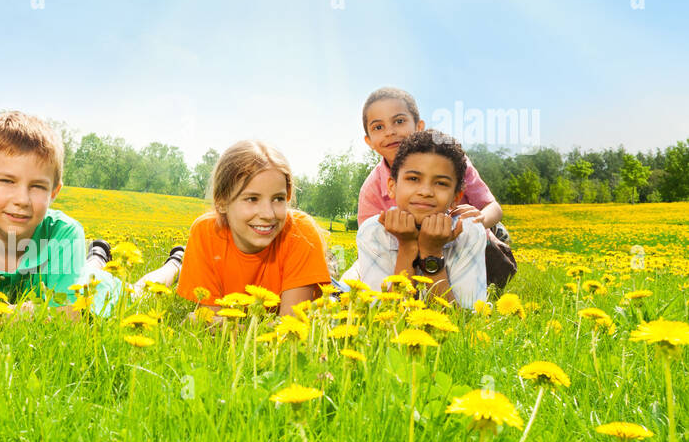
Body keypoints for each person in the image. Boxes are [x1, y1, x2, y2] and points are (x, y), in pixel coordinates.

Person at [0, 111, 119, 316]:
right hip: (65, 278)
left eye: (37, 186)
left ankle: (102, 259)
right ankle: (96, 256)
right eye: (7, 181)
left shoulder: (64, 233)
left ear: (53, 191)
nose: (21, 199)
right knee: (86, 269)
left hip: (93, 289)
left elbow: (67, 316)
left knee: (125, 288)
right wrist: (30, 312)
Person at [175, 140, 332, 318]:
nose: (268, 214)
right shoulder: (206, 231)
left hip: (313, 265)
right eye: (252, 199)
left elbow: (290, 327)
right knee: (172, 270)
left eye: (278, 199)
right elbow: (211, 321)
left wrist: (216, 323)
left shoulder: (301, 232)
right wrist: (213, 323)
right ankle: (175, 261)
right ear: (222, 202)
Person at [352, 129, 487, 308]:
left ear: (456, 196)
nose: (425, 191)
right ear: (392, 186)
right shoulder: (373, 232)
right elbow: (382, 319)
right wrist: (407, 248)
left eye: (441, 183)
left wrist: (432, 254)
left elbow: (464, 322)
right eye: (413, 178)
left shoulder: (468, 232)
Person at [357, 86, 509, 244]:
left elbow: (493, 207)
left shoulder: (451, 161)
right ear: (369, 141)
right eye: (378, 127)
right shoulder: (371, 190)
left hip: (463, 242)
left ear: (419, 127)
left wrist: (481, 220)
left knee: (493, 255)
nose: (390, 132)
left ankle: (493, 232)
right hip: (408, 253)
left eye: (399, 121)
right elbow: (367, 242)